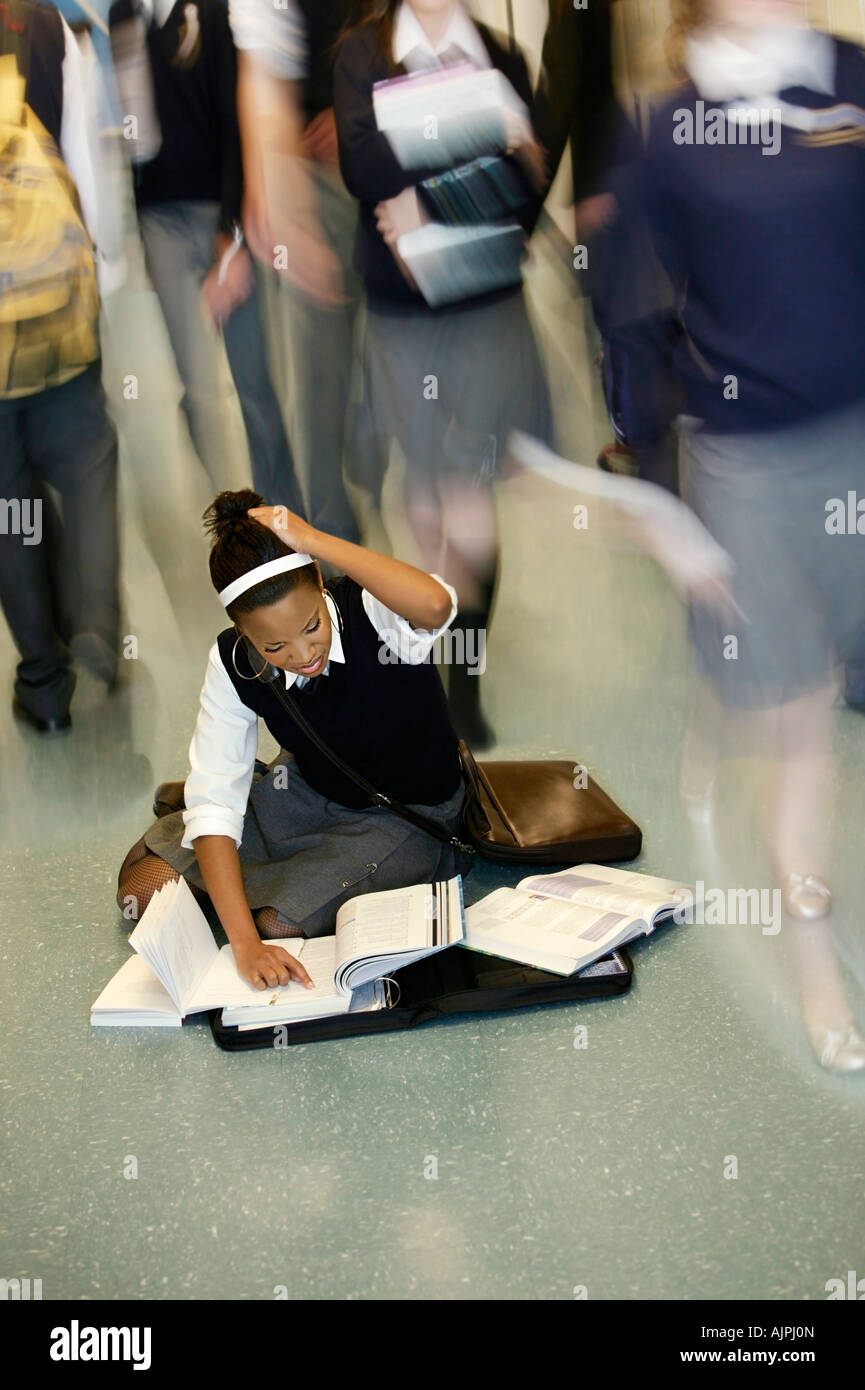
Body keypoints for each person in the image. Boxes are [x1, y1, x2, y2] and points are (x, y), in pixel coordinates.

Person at [634, 0, 865, 1070]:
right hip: (746, 458)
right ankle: (815, 957)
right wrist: (664, 503)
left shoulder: (850, 78)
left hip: (855, 439)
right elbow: (629, 315)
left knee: (817, 675)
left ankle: (721, 697)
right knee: (802, 703)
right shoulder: (673, 128)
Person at [116, 489, 468, 990]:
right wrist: (243, 944)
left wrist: (311, 539)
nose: (304, 654)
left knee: (281, 925)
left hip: (406, 814)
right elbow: (216, 796)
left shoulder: (371, 607)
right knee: (143, 888)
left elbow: (437, 605)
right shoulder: (233, 661)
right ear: (242, 632)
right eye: (274, 645)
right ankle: (251, 875)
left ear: (321, 582)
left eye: (311, 626)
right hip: (307, 792)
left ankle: (259, 883)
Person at [333, 0, 552, 748]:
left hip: (487, 304)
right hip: (402, 310)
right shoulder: (362, 53)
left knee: (470, 497)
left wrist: (423, 201)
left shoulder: (501, 53)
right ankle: (431, 656)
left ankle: (465, 683)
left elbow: (527, 186)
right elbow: (363, 168)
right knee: (425, 491)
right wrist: (480, 136)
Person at [108, 0, 305, 509]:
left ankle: (286, 525)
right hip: (161, 223)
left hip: (221, 218)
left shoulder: (215, 11)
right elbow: (133, 136)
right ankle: (233, 524)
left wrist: (234, 237)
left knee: (256, 383)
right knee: (197, 392)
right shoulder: (126, 16)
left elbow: (236, 124)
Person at [0, 0, 121, 732]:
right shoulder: (39, 22)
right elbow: (83, 158)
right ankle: (97, 621)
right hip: (57, 312)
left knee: (10, 508)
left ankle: (44, 688)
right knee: (88, 465)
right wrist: (97, 277)